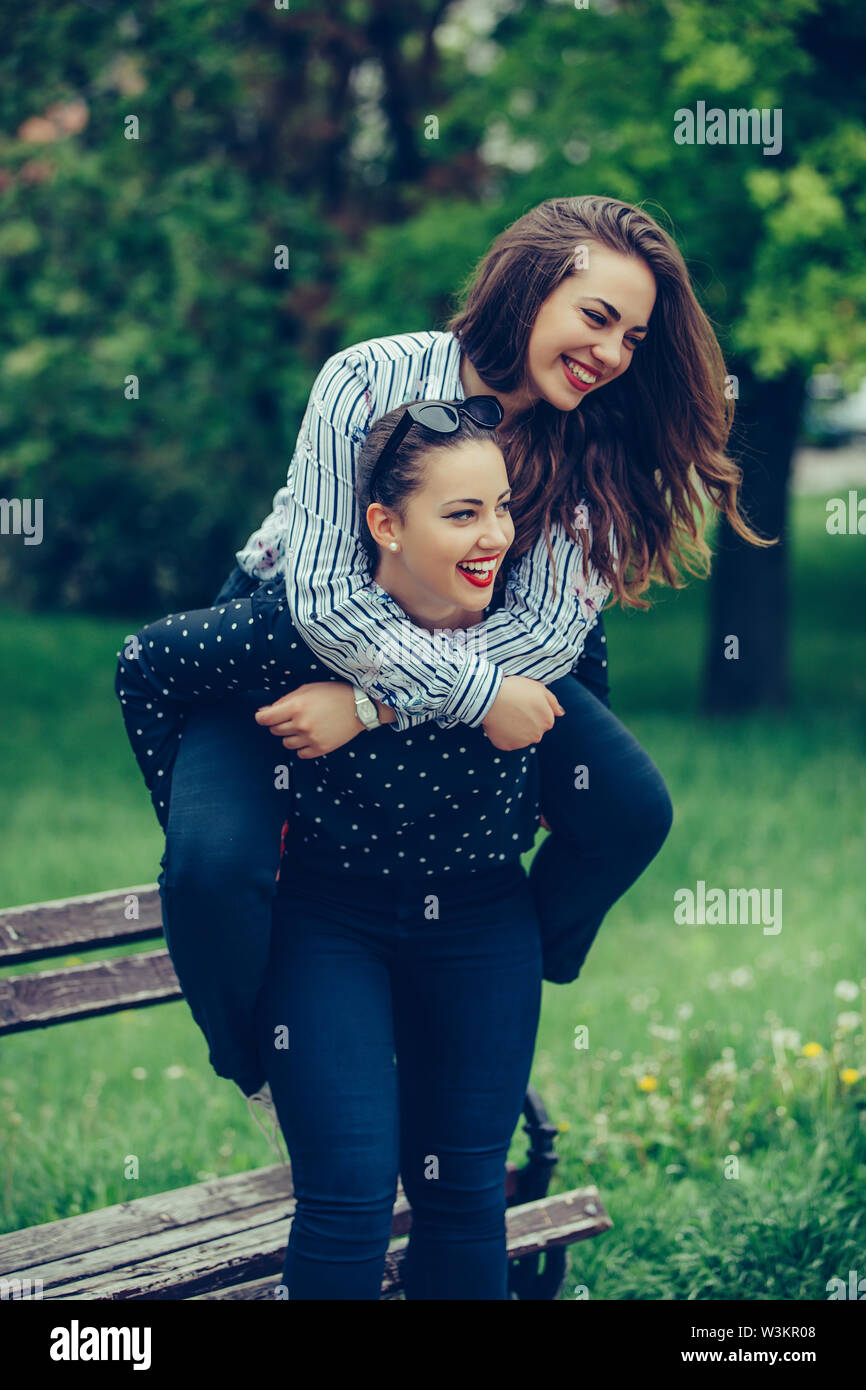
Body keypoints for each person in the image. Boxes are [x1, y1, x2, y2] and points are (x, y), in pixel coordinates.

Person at [115, 193, 771, 1108]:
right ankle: (255, 1058)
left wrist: (378, 704)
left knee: (627, 808)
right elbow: (325, 601)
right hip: (286, 637)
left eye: (633, 338)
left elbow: (542, 635)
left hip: (479, 639)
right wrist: (448, 690)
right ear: (529, 285)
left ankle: (470, 996)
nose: (613, 354)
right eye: (597, 317)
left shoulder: (593, 436)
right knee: (213, 867)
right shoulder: (370, 374)